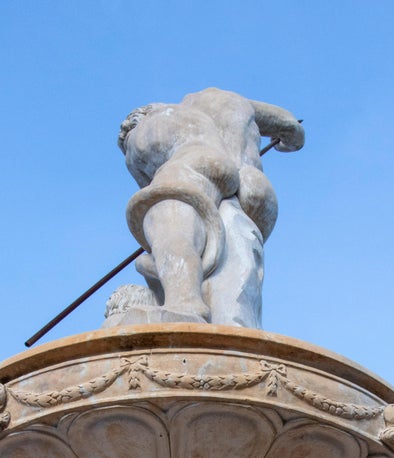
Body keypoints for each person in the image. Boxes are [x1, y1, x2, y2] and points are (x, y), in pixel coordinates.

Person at [112, 87, 304, 329]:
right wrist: (293, 135)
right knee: (232, 257)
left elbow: (154, 188)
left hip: (196, 163)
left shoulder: (142, 130)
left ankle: (185, 304)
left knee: (162, 213)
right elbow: (288, 123)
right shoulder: (222, 101)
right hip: (254, 187)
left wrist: (159, 251)